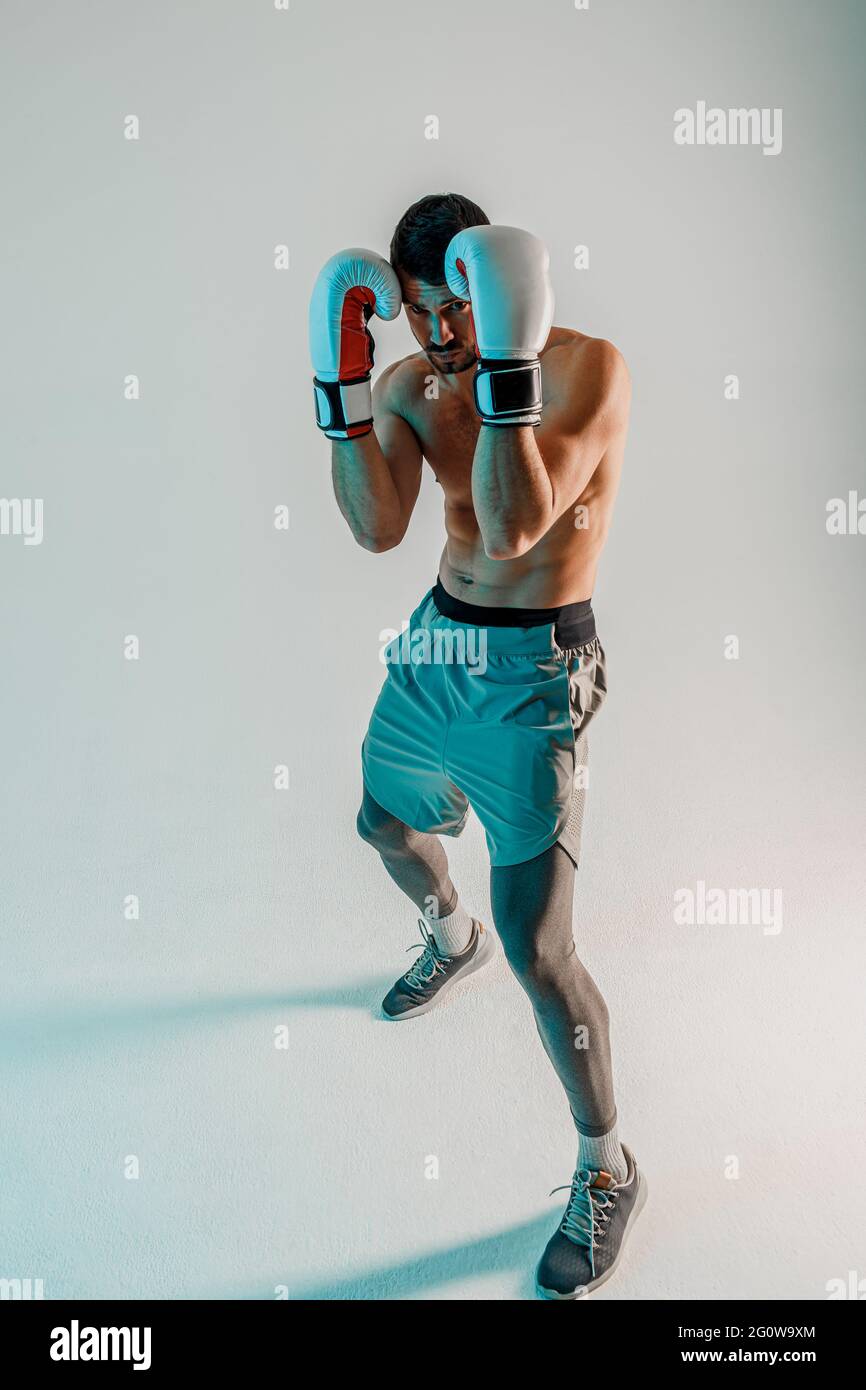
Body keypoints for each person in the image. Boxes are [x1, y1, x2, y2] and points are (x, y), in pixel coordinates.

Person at [308, 192, 645, 1299]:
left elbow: (509, 526)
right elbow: (375, 527)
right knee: (381, 820)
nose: (438, 335)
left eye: (459, 309)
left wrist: (502, 373)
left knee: (540, 948)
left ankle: (606, 1166)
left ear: (500, 291)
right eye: (416, 315)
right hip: (434, 645)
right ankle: (445, 937)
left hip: (536, 673)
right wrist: (345, 394)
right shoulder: (412, 379)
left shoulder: (588, 370)